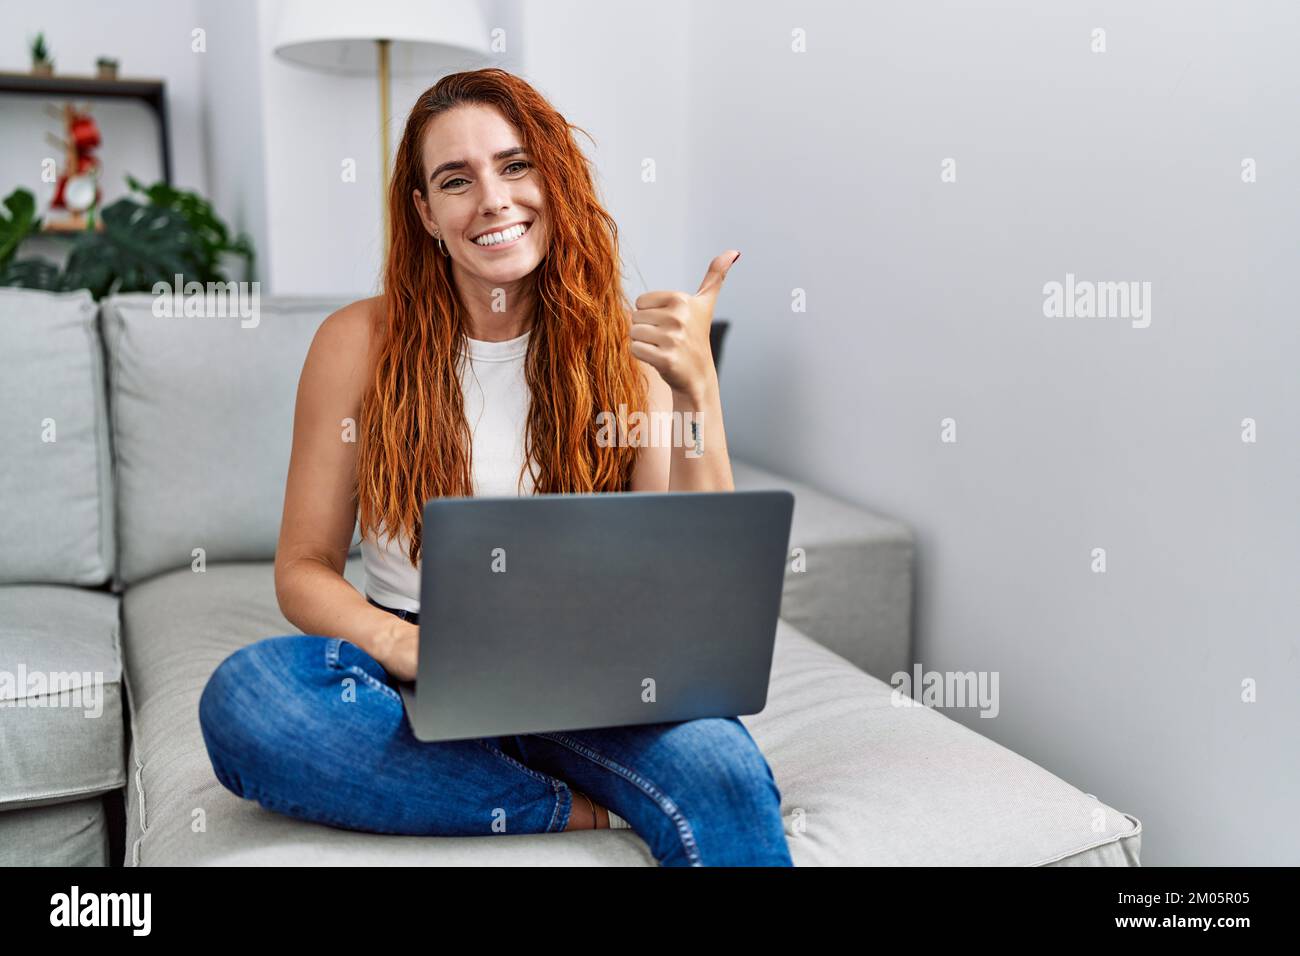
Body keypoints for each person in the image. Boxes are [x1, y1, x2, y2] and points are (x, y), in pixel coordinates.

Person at [198, 67, 792, 867]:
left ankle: (485, 784)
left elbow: (696, 578)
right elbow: (303, 568)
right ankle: (570, 809)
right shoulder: (354, 344)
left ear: (554, 175)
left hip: (596, 667)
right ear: (426, 212)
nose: (493, 199)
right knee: (251, 699)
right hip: (417, 662)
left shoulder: (629, 349)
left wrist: (697, 393)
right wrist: (403, 648)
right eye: (456, 180)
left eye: (515, 165)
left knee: (723, 772)